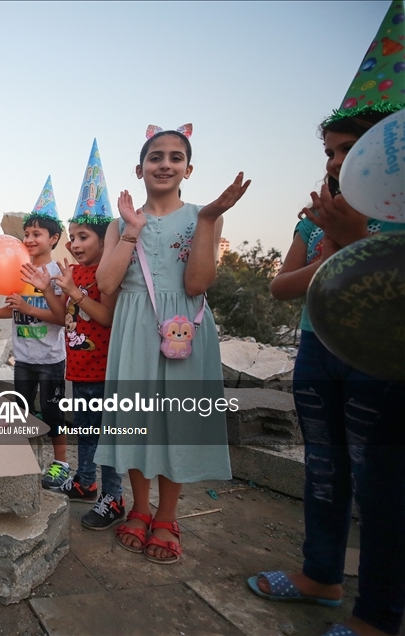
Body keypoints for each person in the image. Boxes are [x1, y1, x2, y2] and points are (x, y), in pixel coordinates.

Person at [248, 8, 405, 631]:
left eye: (355, 150)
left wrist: (360, 241)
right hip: (318, 350)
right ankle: (320, 575)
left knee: (383, 485)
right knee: (325, 467)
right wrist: (338, 247)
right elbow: (282, 286)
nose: (340, 162)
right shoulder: (316, 218)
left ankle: (378, 614)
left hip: (385, 364)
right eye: (334, 151)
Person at [93, 124, 249, 565]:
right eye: (155, 156)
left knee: (177, 420)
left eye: (174, 157)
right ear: (139, 168)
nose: (164, 164)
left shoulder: (206, 215)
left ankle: (167, 515)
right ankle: (139, 509)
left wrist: (206, 219)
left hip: (185, 327)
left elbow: (198, 282)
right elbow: (106, 284)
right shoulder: (118, 222)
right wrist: (131, 231)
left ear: (188, 168)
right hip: (134, 328)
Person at [37, 144, 125, 528]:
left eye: (83, 236)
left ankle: (113, 497)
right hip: (82, 370)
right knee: (87, 433)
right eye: (72, 236)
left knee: (108, 438)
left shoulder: (106, 274)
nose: (74, 242)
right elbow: (65, 318)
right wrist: (51, 288)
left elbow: (106, 317)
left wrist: (73, 292)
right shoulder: (77, 272)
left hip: (104, 370)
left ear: (105, 240)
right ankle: (87, 483)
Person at [0, 177, 69, 490]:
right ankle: (20, 459)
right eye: (26, 233)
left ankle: (61, 463)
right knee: (22, 410)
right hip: (25, 358)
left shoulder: (57, 274)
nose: (29, 239)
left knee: (54, 413)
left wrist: (26, 308)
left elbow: (59, 318)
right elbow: (17, 308)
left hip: (51, 358)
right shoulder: (16, 268)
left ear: (54, 238)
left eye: (37, 234)